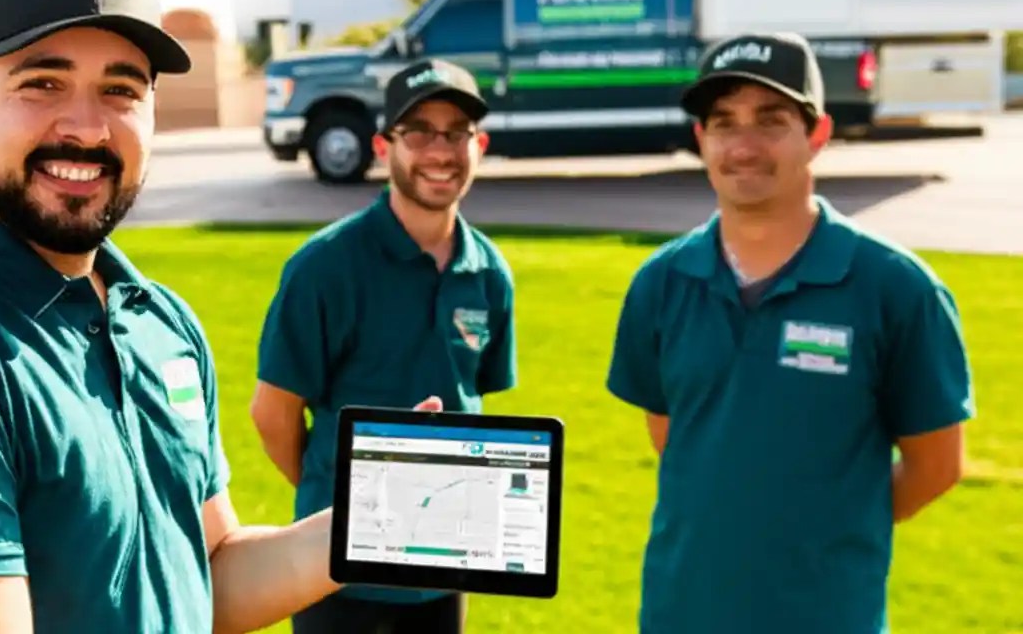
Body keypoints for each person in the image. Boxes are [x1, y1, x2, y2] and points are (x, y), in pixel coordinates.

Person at [0, 0, 443, 634]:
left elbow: (205, 573)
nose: (87, 127)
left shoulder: (159, 323)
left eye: (121, 89)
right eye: (41, 82)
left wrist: (375, 515)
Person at [605, 31, 974, 634]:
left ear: (818, 135)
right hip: (680, 613)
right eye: (724, 122)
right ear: (702, 139)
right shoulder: (661, 283)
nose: (743, 146)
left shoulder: (897, 288)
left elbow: (936, 466)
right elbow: (677, 437)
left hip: (826, 616)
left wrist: (827, 527)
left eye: (771, 120)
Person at [249, 59, 518, 633]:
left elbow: (474, 405)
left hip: (443, 569)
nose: (439, 151)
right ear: (382, 146)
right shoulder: (325, 268)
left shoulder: (489, 272)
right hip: (338, 573)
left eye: (456, 133)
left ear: (480, 144)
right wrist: (353, 500)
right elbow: (272, 414)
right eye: (418, 131)